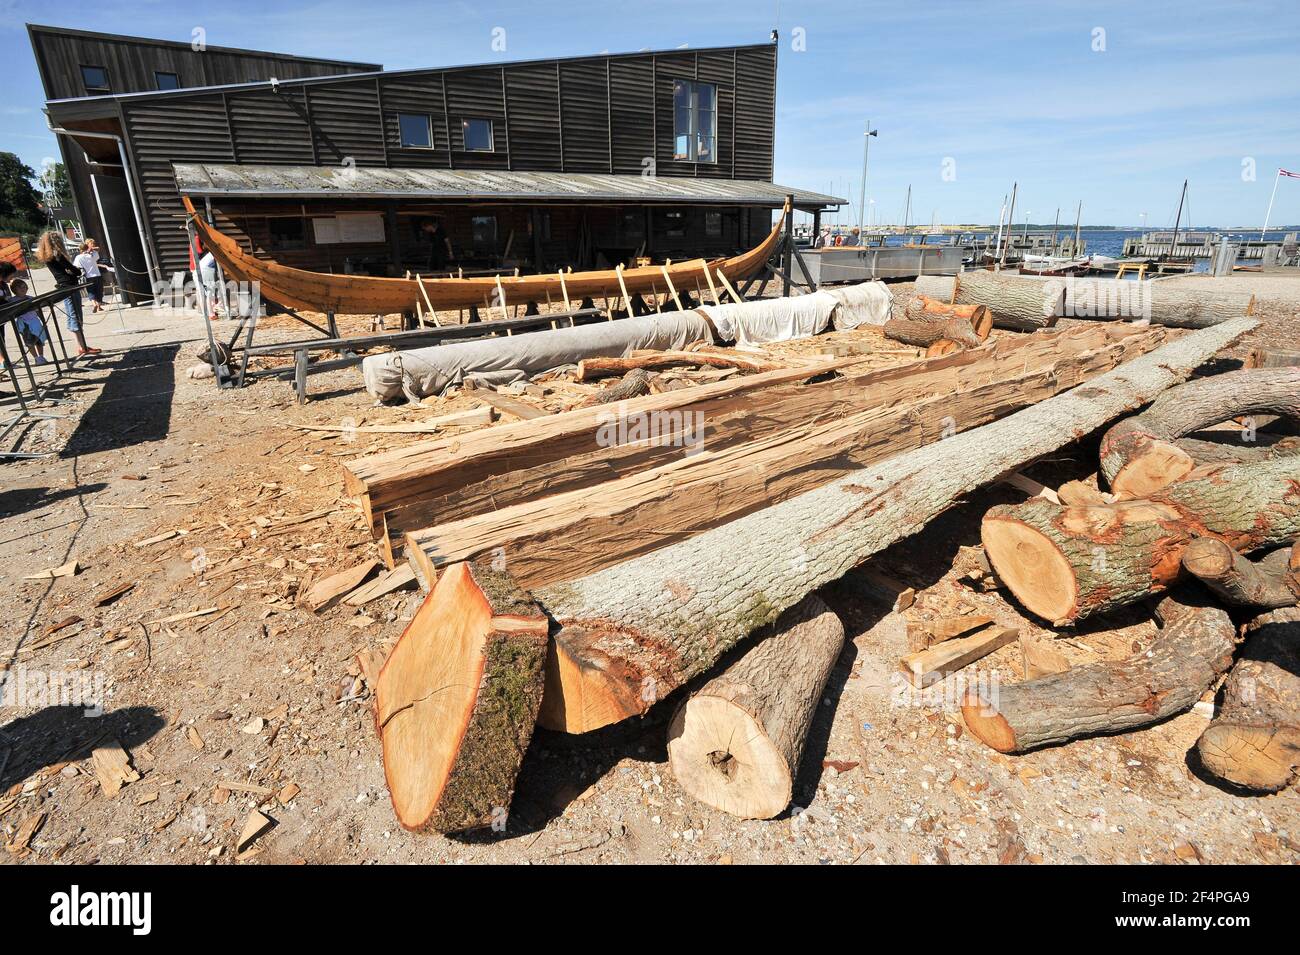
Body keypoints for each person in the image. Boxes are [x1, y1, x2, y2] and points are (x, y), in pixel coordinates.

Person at [36, 231, 99, 356]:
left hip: (63, 287)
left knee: (72, 315)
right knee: (75, 316)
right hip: (70, 287)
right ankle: (82, 346)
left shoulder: (48, 256)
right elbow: (75, 270)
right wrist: (74, 272)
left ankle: (82, 345)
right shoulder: (57, 255)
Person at [6, 278, 50, 365]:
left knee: (39, 340)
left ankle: (41, 356)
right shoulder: (12, 301)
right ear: (14, 290)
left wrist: (43, 320)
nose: (23, 289)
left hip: (35, 322)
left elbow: (38, 310)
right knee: (29, 342)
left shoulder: (31, 298)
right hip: (24, 323)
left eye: (24, 287)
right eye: (19, 287)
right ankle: (36, 358)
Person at [73, 239, 105, 312]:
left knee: (91, 291)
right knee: (99, 291)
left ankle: (94, 304)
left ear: (80, 249)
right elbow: (97, 252)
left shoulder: (78, 257)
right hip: (97, 274)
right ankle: (99, 306)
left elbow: (76, 266)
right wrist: (91, 250)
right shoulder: (93, 254)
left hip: (88, 276)